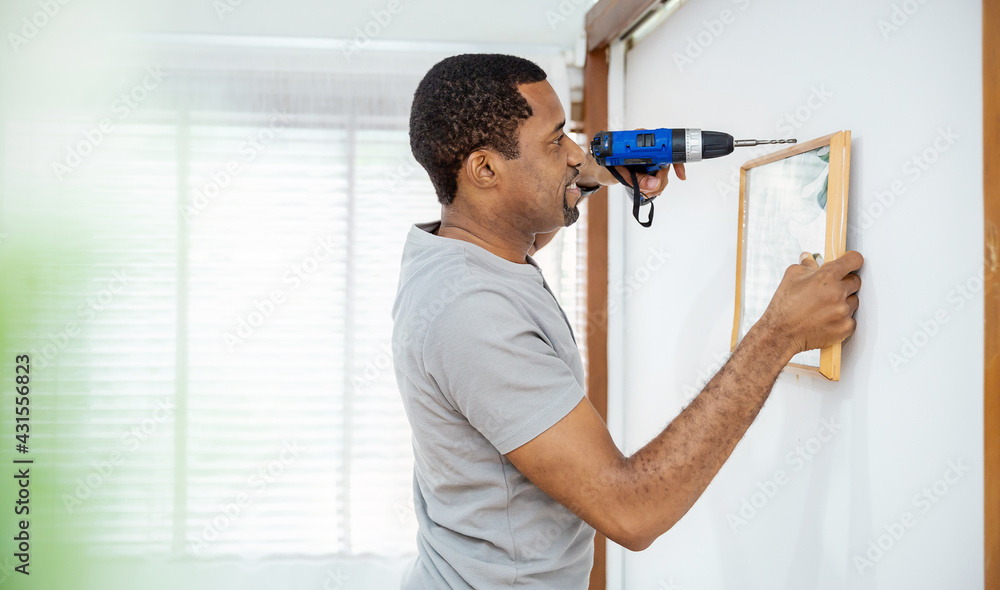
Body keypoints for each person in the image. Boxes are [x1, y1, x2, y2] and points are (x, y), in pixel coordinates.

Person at [392, 53, 862, 589]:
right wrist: (779, 334)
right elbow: (632, 512)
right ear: (485, 170)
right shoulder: (471, 315)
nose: (575, 153)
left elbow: (530, 223)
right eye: (555, 142)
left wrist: (596, 170)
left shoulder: (461, 247)